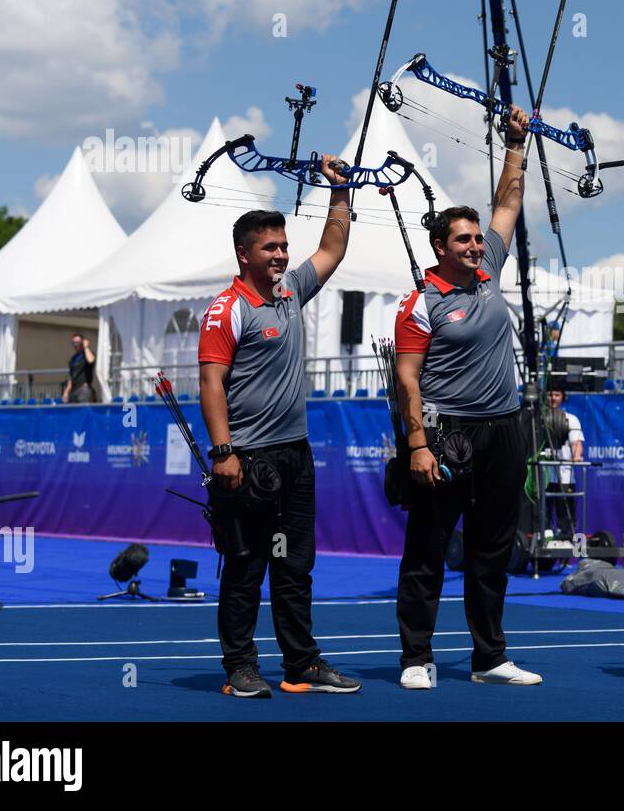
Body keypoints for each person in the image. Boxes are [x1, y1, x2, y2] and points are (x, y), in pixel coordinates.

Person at [196, 154, 360, 699]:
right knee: (245, 568)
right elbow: (211, 384)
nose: (281, 255)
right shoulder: (227, 309)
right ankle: (240, 667)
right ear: (244, 254)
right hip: (248, 459)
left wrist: (342, 191)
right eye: (270, 248)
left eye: (284, 247)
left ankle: (301, 664)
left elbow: (333, 249)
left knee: (294, 567)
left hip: (296, 456)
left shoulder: (291, 290)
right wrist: (224, 452)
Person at [393, 105, 541, 690]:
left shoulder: (491, 271)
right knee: (428, 549)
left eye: (480, 238)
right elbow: (408, 380)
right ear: (439, 247)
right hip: (446, 433)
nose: (479, 245)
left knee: (492, 548)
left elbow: (508, 201)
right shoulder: (421, 302)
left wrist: (514, 144)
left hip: (505, 428)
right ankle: (415, 657)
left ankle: (489, 658)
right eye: (465, 239)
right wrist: (418, 446)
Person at [541, 388, 584, 541]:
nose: (553, 398)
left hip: (565, 477)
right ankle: (544, 540)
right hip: (543, 477)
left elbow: (576, 443)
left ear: (562, 397)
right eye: (550, 394)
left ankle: (566, 542)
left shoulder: (570, 419)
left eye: (557, 395)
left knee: (565, 517)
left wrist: (577, 455)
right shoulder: (539, 419)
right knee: (542, 516)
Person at [62, 334, 96, 403]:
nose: (75, 344)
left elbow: (91, 360)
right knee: (74, 412)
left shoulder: (87, 354)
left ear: (82, 342)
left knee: (83, 411)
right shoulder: (73, 359)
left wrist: (86, 347)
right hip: (74, 390)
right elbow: (71, 377)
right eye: (73, 342)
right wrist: (66, 392)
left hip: (84, 389)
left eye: (78, 342)